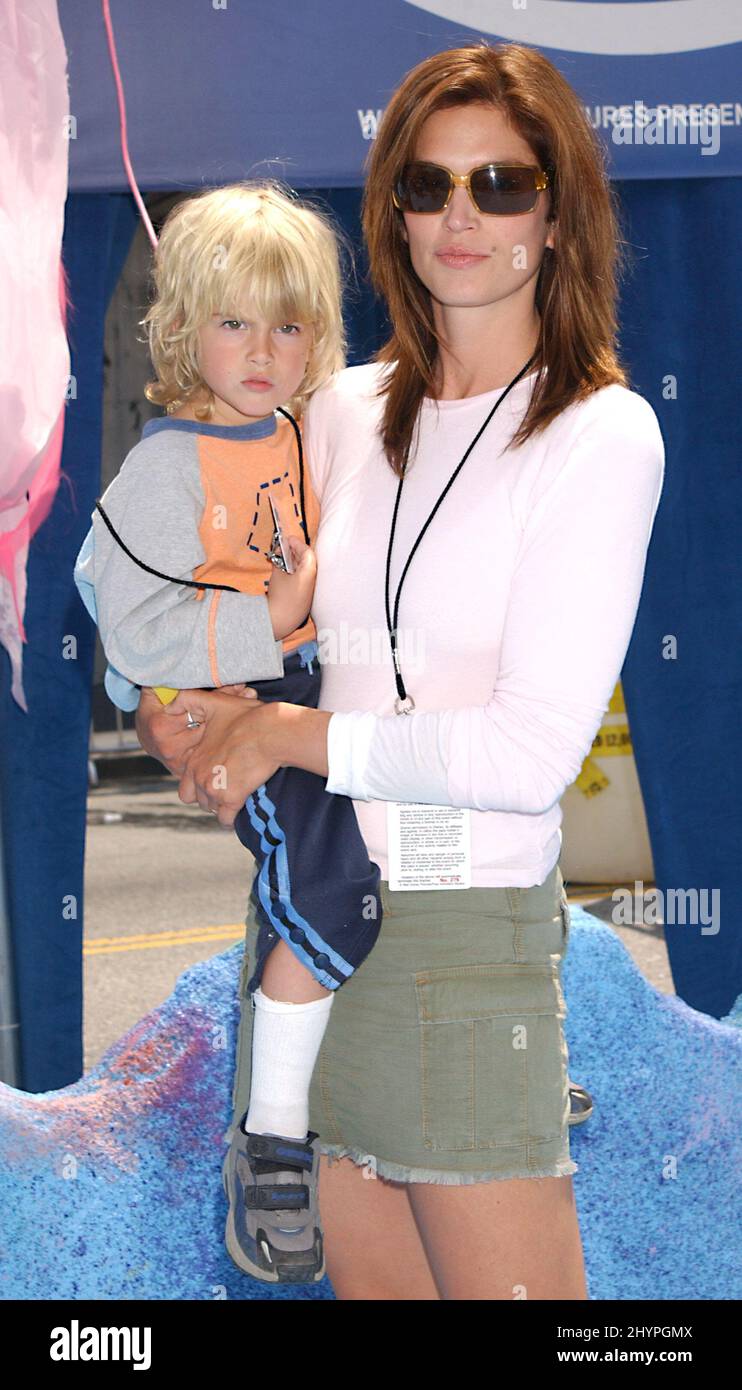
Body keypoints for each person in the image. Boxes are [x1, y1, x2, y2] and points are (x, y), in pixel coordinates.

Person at [134, 42, 665, 1300]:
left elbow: (529, 753)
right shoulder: (337, 413)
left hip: (470, 952)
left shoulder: (599, 434)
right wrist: (197, 718)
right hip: (314, 936)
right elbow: (268, 641)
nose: (460, 216)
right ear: (392, 213)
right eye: (427, 188)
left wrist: (288, 739)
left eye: (500, 182)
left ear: (559, 209)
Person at [72, 182, 385, 1285]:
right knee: (333, 881)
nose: (263, 349)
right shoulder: (167, 467)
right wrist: (272, 621)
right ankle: (274, 1139)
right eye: (234, 322)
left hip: (312, 685)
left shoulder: (310, 430)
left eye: (289, 324)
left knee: (443, 809)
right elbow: (126, 621)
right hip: (234, 698)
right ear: (180, 327)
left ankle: (471, 1040)